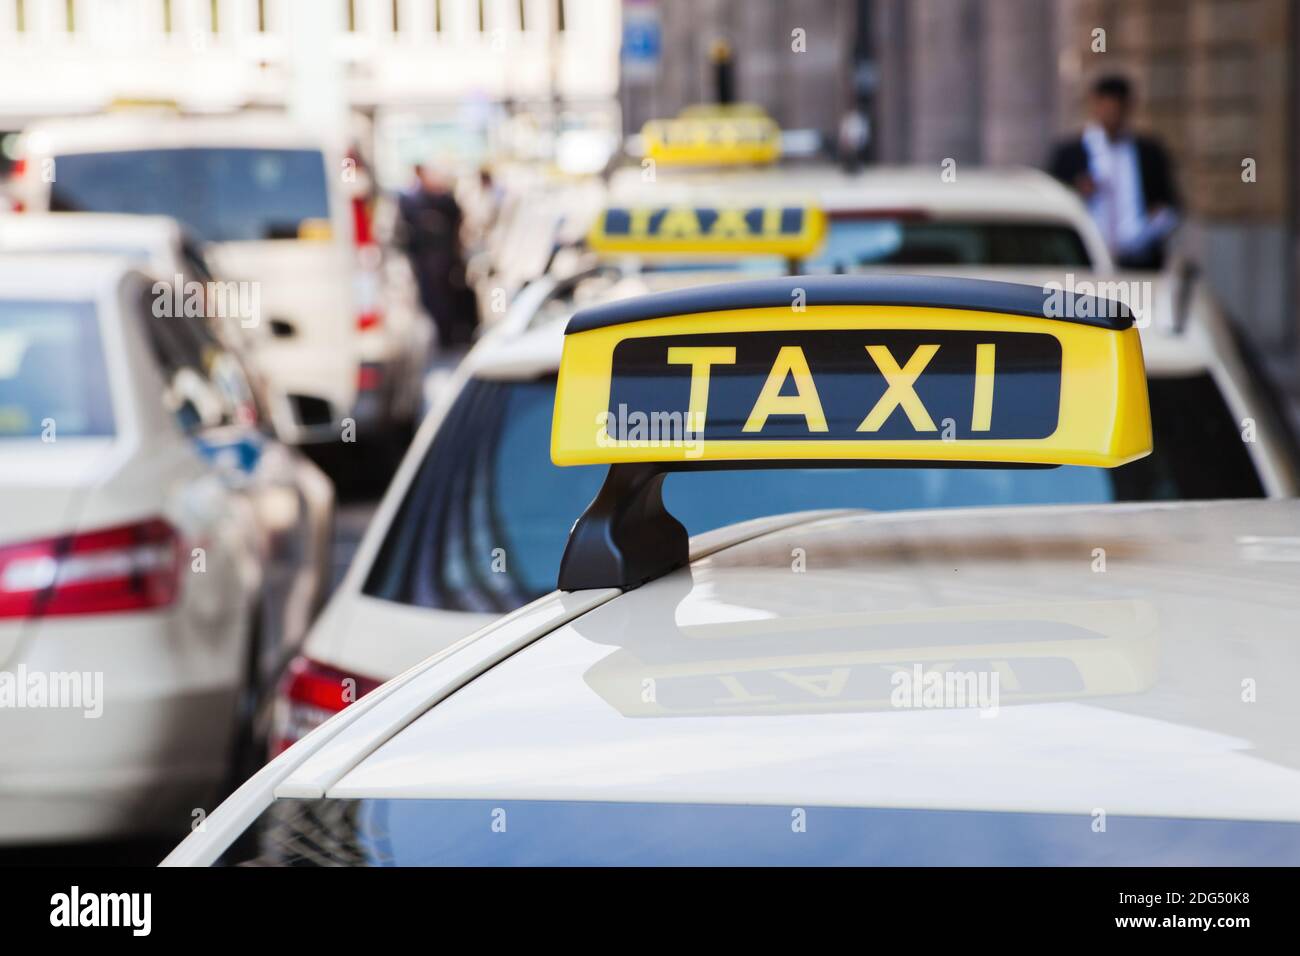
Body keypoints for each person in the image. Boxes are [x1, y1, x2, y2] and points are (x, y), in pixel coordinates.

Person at [1047, 75, 1180, 270]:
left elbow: (1169, 205)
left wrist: (1151, 228)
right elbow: (1053, 200)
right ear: (1094, 105)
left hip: (1140, 262)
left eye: (1117, 107)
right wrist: (1078, 191)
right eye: (1106, 106)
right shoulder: (1070, 153)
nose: (1111, 113)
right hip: (1085, 263)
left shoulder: (1149, 152)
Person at [398, 164, 477, 348]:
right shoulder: (413, 199)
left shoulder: (439, 199)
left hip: (442, 259)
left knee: (446, 299)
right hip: (429, 260)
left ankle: (451, 336)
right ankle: (446, 337)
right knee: (435, 300)